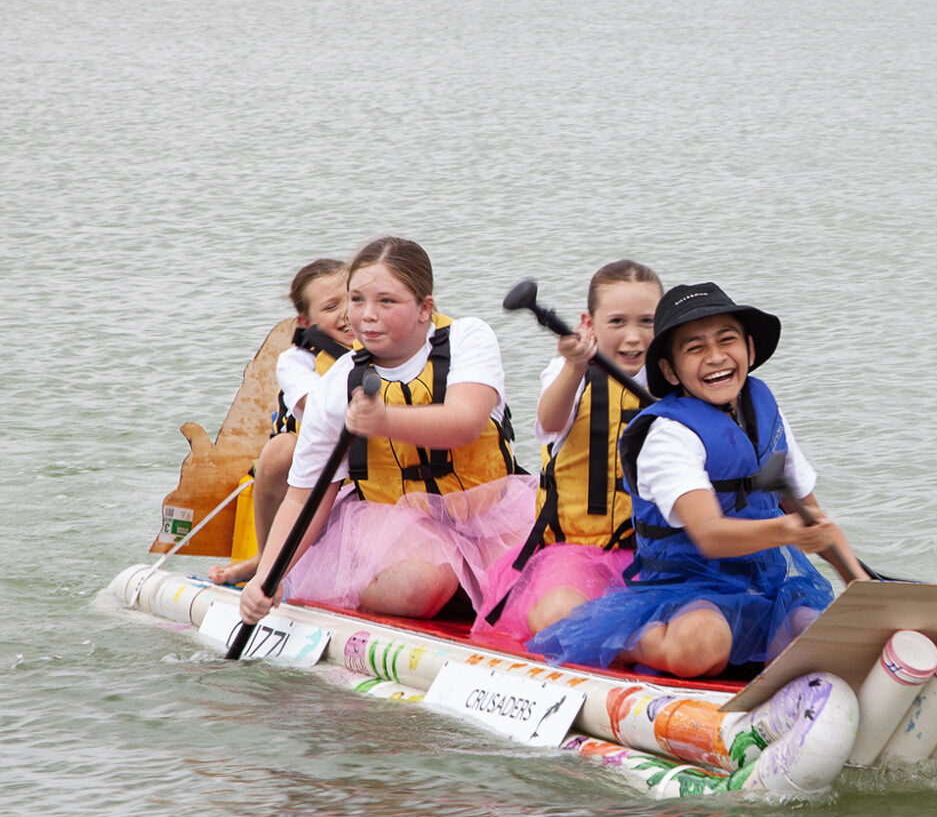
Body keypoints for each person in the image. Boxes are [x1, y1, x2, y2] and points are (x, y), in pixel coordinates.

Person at [529, 282, 867, 679]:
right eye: (695, 349)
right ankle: (608, 637)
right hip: (684, 589)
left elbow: (813, 515)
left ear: (751, 350)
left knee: (828, 639)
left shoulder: (763, 408)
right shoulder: (668, 434)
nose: (716, 357)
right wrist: (789, 531)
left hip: (765, 587)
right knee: (704, 645)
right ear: (670, 371)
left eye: (728, 341)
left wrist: (863, 590)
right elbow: (709, 534)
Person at [238, 236, 535, 624]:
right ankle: (347, 592)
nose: (365, 316)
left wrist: (384, 421)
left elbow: (466, 422)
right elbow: (302, 499)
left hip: (488, 513)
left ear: (424, 308)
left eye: (387, 301)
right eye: (357, 300)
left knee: (530, 582)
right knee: (421, 584)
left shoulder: (467, 338)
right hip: (392, 530)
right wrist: (267, 576)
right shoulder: (338, 383)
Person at [472, 260, 662, 642]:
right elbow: (550, 420)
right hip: (576, 549)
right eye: (617, 322)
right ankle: (627, 643)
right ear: (587, 324)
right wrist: (575, 368)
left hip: (653, 552)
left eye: (646, 321)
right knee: (558, 613)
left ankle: (649, 644)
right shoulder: (568, 371)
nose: (634, 337)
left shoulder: (673, 376)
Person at [209, 258, 354, 586]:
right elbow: (320, 410)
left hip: (378, 478)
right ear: (305, 322)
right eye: (332, 306)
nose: (347, 313)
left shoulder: (390, 347)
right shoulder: (295, 362)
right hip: (317, 480)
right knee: (280, 449)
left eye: (354, 299)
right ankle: (264, 556)